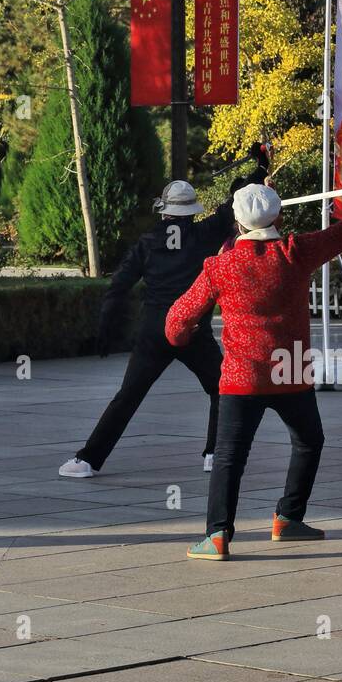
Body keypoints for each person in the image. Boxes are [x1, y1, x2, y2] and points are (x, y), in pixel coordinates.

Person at [165, 169, 342, 561]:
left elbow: (178, 319)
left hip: (242, 378)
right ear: (278, 218)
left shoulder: (219, 267)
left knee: (229, 456)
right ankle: (288, 518)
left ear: (237, 222)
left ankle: (217, 536)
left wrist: (181, 338)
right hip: (291, 371)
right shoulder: (297, 252)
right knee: (309, 441)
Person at [58, 146, 270, 479]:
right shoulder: (205, 233)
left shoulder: (146, 242)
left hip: (154, 330)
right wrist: (259, 167)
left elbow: (119, 287)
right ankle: (214, 453)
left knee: (128, 396)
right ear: (191, 213)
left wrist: (105, 327)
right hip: (193, 328)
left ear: (165, 212)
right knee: (220, 387)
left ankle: (87, 460)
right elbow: (238, 203)